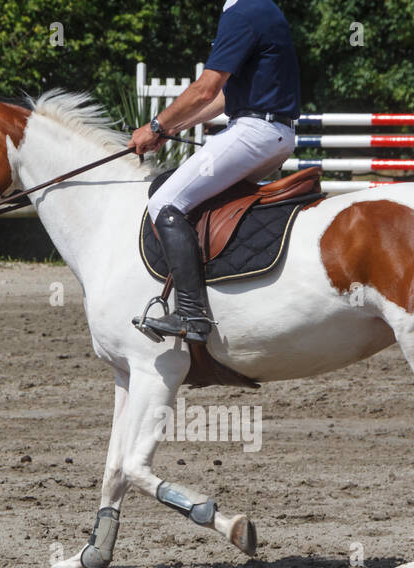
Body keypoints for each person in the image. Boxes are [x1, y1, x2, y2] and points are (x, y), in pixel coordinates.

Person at [127, 0, 301, 343]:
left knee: (165, 202)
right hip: (274, 133)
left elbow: (205, 88)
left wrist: (156, 125)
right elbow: (224, 98)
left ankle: (191, 314)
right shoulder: (262, 8)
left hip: (255, 133)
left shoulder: (242, 12)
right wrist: (171, 130)